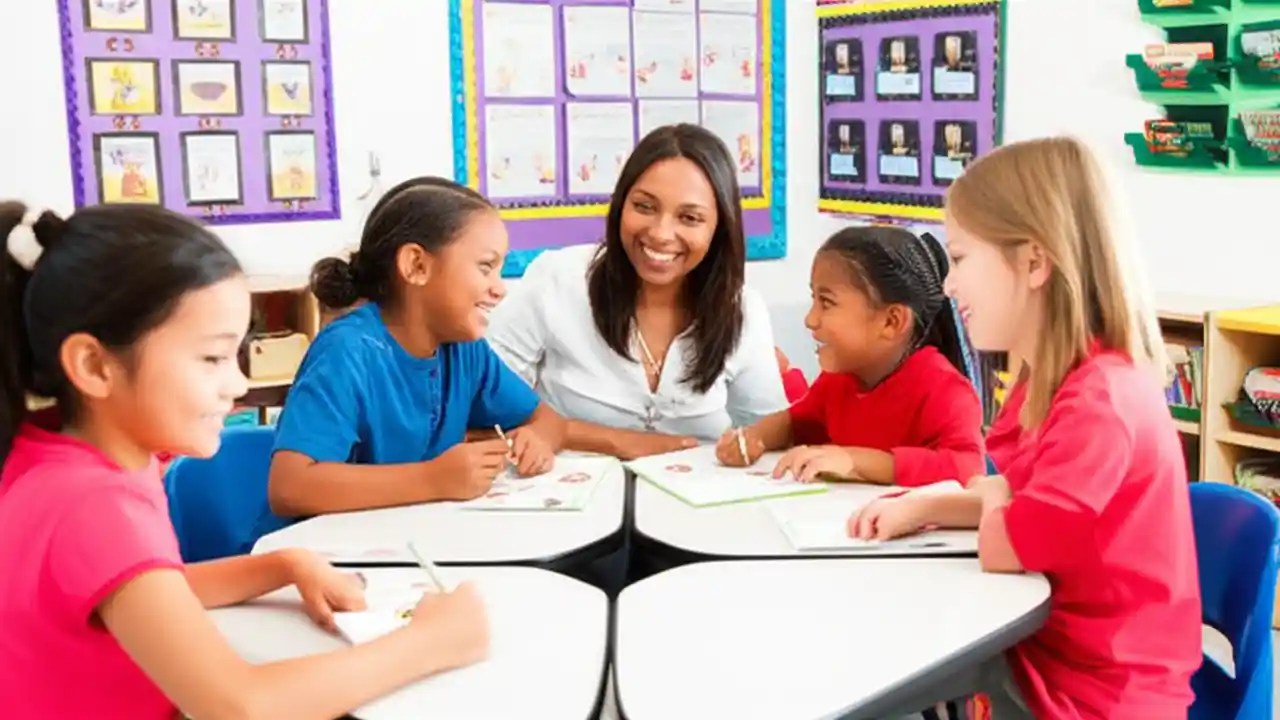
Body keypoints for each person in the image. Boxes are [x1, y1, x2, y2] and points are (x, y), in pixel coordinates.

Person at [0, 202, 488, 718]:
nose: (237, 386)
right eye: (212, 358)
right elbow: (240, 705)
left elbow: (143, 591)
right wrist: (433, 642)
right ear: (95, 365)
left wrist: (283, 564)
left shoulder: (61, 455)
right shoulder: (94, 503)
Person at [852, 137, 1201, 719]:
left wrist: (984, 498)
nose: (948, 288)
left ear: (1035, 262)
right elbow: (1018, 505)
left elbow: (1007, 539)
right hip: (1050, 655)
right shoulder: (1048, 379)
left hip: (1096, 697)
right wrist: (925, 506)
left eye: (960, 260)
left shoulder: (1101, 401)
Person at [268, 177, 566, 518]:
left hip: (410, 544)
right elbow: (290, 488)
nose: (500, 290)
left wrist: (537, 438)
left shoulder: (464, 349)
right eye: (485, 267)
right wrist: (432, 479)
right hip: (322, 558)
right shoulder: (347, 352)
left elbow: (547, 419)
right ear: (416, 266)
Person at [487, 124, 787, 460]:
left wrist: (747, 445)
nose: (660, 234)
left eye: (689, 217)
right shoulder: (557, 279)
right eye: (644, 207)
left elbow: (769, 432)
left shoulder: (742, 309)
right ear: (620, 205)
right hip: (570, 498)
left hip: (691, 504)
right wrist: (613, 440)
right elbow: (482, 404)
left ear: (719, 227)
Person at [715, 227, 983, 488]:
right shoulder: (838, 379)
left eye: (827, 302)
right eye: (813, 299)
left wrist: (854, 461)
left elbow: (968, 468)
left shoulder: (943, 389)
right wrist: (755, 437)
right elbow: (797, 422)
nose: (810, 319)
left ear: (891, 321)